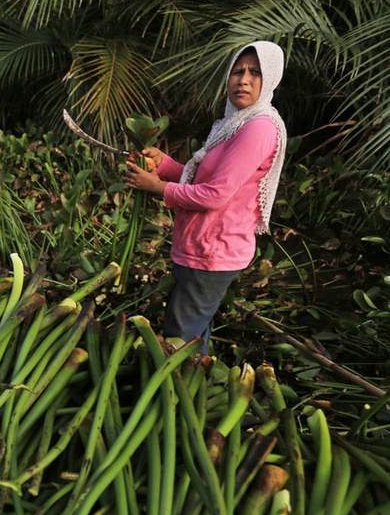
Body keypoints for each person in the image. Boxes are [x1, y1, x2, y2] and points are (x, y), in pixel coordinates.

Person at [123, 41, 288, 355]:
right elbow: (208, 177)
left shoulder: (259, 128)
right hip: (201, 246)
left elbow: (215, 195)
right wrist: (164, 165)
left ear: (271, 79)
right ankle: (198, 385)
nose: (243, 79)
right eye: (237, 72)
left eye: (255, 72)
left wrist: (155, 187)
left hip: (213, 252)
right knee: (194, 330)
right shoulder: (233, 123)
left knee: (179, 337)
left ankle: (178, 396)